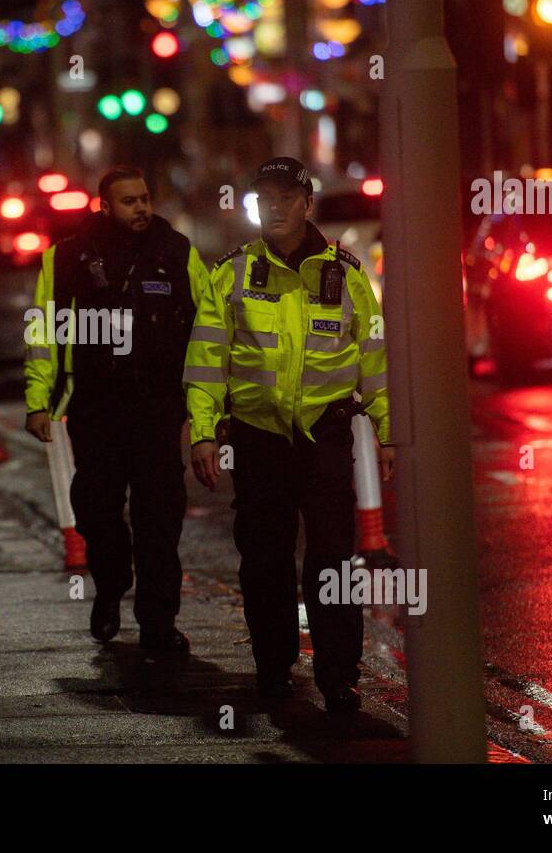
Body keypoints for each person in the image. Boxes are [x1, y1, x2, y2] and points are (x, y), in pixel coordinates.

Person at [183, 157, 393, 708]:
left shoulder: (344, 274)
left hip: (325, 436)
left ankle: (338, 678)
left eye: (284, 199)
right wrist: (203, 433)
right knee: (265, 563)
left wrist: (387, 432)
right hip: (258, 441)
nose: (272, 209)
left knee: (332, 561)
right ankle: (274, 671)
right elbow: (207, 362)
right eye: (263, 199)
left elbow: (374, 359)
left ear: (306, 204)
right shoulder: (230, 272)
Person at [24, 165, 211, 651]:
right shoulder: (66, 258)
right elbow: (44, 332)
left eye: (145, 198)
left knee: (159, 518)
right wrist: (38, 400)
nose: (142, 208)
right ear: (104, 206)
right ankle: (110, 585)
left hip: (156, 408)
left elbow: (208, 335)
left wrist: (208, 412)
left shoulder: (177, 253)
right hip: (96, 406)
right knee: (96, 509)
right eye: (129, 201)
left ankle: (158, 624)